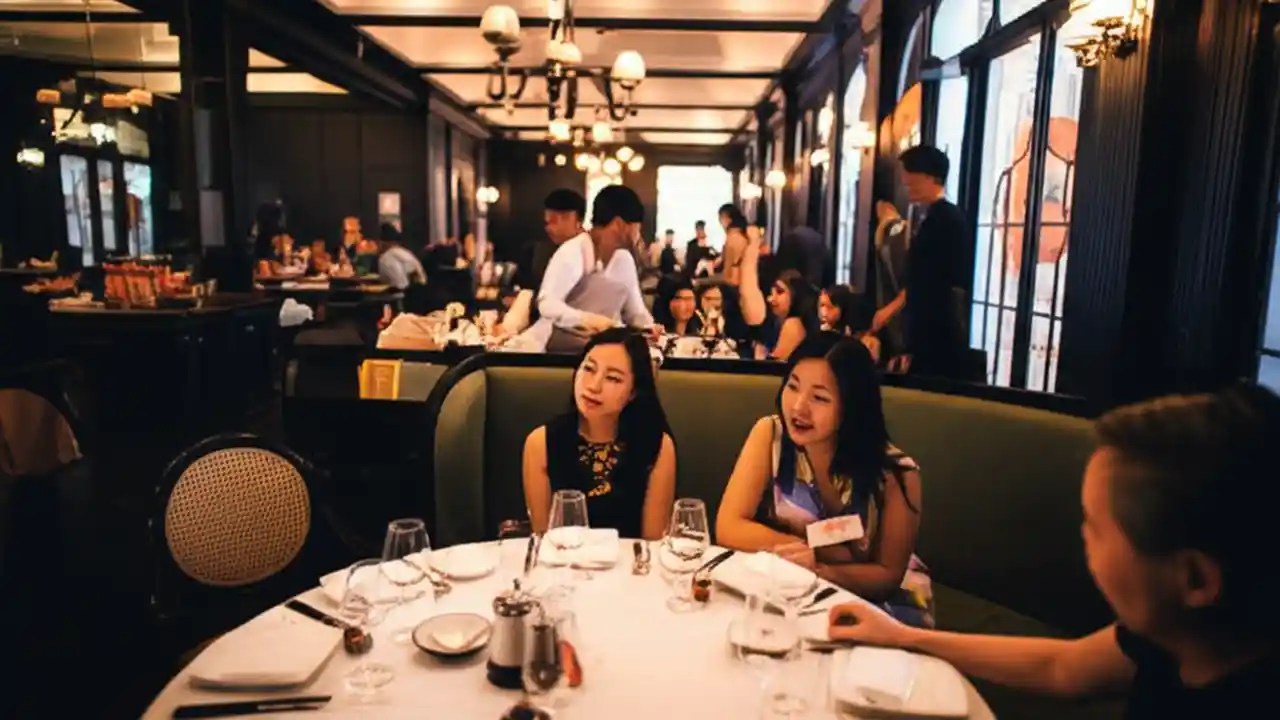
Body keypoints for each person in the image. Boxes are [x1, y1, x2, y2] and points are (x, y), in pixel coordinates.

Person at [827, 384, 1280, 715]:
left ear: (1195, 579)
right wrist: (903, 636)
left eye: (1095, 525)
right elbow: (1062, 667)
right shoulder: (1173, 635)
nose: (1082, 535)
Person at [717, 333, 931, 624]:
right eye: (793, 387)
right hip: (788, 587)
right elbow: (729, 526)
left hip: (873, 604)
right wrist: (809, 552)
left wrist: (819, 570)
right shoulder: (770, 435)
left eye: (819, 398)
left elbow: (886, 576)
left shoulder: (897, 474)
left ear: (852, 407)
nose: (798, 407)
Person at [522, 329, 678, 540]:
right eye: (588, 369)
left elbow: (651, 543)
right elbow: (543, 541)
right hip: (563, 566)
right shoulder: (540, 443)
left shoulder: (657, 445)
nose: (593, 386)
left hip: (630, 569)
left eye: (613, 378)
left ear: (633, 392)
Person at [872, 146, 970, 378]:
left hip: (937, 324)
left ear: (928, 177)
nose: (907, 187)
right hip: (932, 320)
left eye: (911, 182)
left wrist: (889, 310)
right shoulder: (937, 216)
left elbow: (929, 278)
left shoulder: (943, 219)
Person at [526, 185, 656, 353]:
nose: (639, 234)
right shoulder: (574, 250)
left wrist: (652, 329)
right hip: (557, 350)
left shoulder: (624, 260)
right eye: (637, 226)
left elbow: (635, 313)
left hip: (602, 350)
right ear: (619, 224)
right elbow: (547, 304)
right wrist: (588, 320)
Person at [520, 189, 586, 294]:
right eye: (547, 223)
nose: (548, 228)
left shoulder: (590, 251)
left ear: (575, 219)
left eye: (553, 222)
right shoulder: (540, 252)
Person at [376, 222, 426, 290]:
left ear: (382, 243)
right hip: (421, 292)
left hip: (400, 295)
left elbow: (397, 284)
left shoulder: (386, 257)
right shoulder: (406, 253)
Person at [719, 204, 750, 287]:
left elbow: (727, 273)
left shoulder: (731, 239)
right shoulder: (743, 236)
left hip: (733, 284)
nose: (720, 223)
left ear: (728, 219)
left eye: (721, 219)